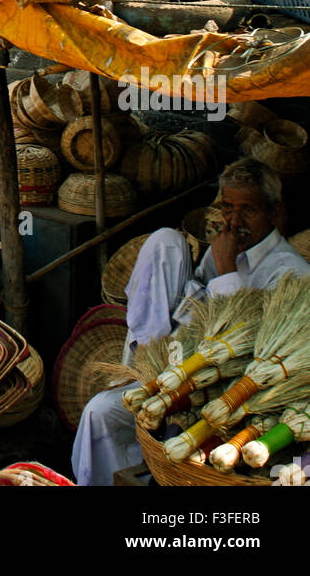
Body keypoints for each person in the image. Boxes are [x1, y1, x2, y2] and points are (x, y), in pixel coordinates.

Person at [72, 157, 310, 486]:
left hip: (232, 398)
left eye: (248, 210)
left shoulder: (290, 272)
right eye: (227, 207)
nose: (234, 220)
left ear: (273, 212)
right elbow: (195, 311)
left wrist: (227, 271)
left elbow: (253, 351)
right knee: (100, 411)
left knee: (115, 413)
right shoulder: (225, 247)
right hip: (181, 373)